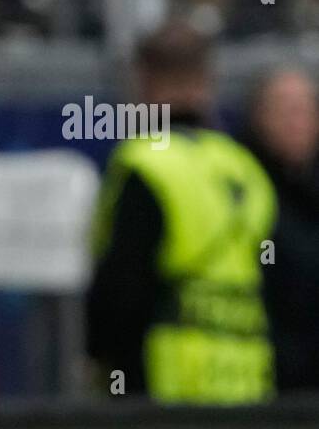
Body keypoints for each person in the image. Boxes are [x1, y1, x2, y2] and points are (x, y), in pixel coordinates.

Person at [87, 22, 276, 403]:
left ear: (143, 81)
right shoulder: (246, 169)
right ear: (207, 82)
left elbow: (120, 293)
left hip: (164, 382)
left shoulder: (145, 164)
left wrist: (103, 363)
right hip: (247, 379)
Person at [244, 67, 319, 390]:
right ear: (259, 118)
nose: (294, 121)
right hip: (265, 373)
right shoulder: (242, 185)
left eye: (302, 110)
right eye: (282, 110)